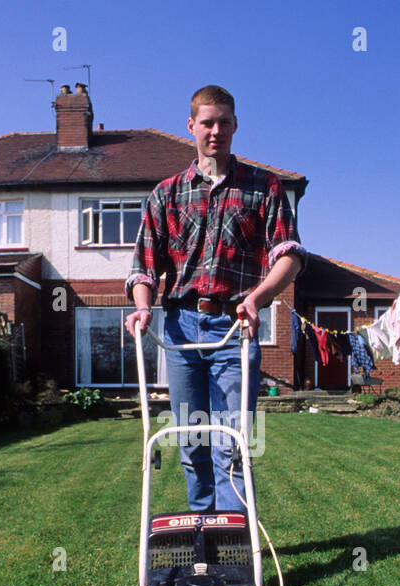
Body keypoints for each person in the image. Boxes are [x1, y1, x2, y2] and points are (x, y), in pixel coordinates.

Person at [124, 85, 305, 513]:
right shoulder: (166, 194)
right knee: (191, 440)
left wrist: (257, 299)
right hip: (181, 328)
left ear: (235, 125)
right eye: (207, 122)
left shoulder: (265, 188)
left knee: (233, 443)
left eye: (224, 122)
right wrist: (143, 306)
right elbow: (143, 267)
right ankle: (203, 536)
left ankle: (235, 547)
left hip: (234, 329)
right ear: (191, 126)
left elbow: (290, 257)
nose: (216, 131)